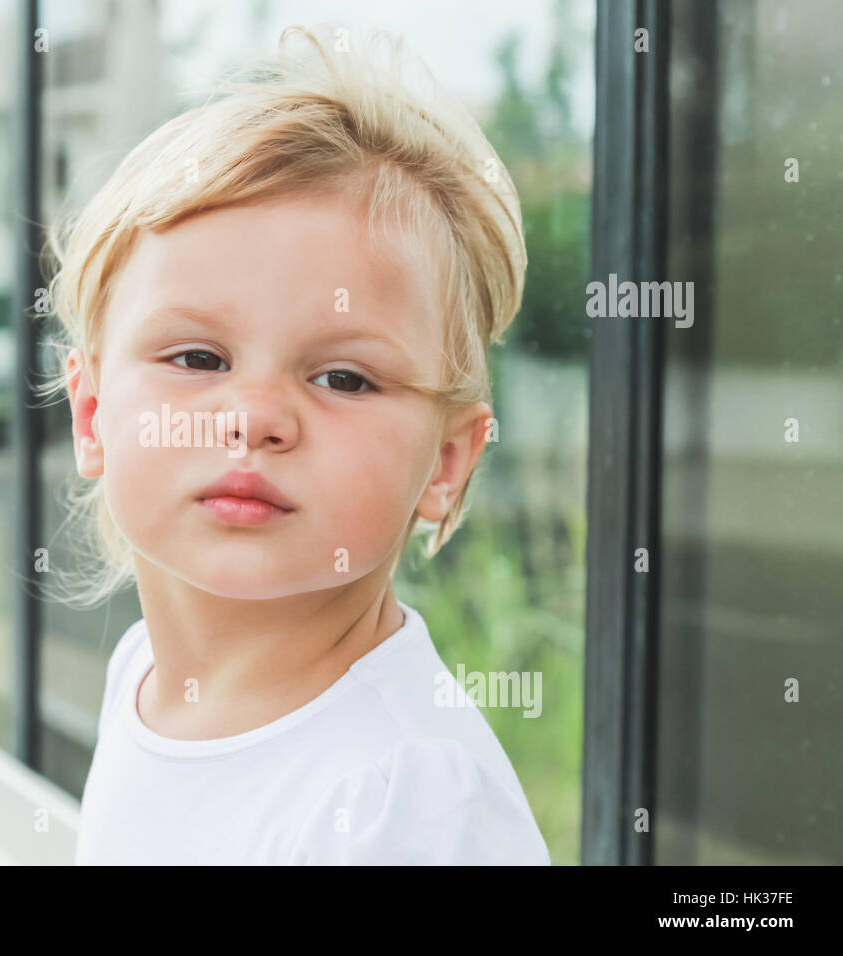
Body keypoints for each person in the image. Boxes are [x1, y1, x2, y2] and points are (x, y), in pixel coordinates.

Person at [38, 23, 550, 865]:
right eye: (197, 357)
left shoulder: (403, 800)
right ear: (91, 414)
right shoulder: (142, 676)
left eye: (344, 378)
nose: (255, 418)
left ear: (446, 464)